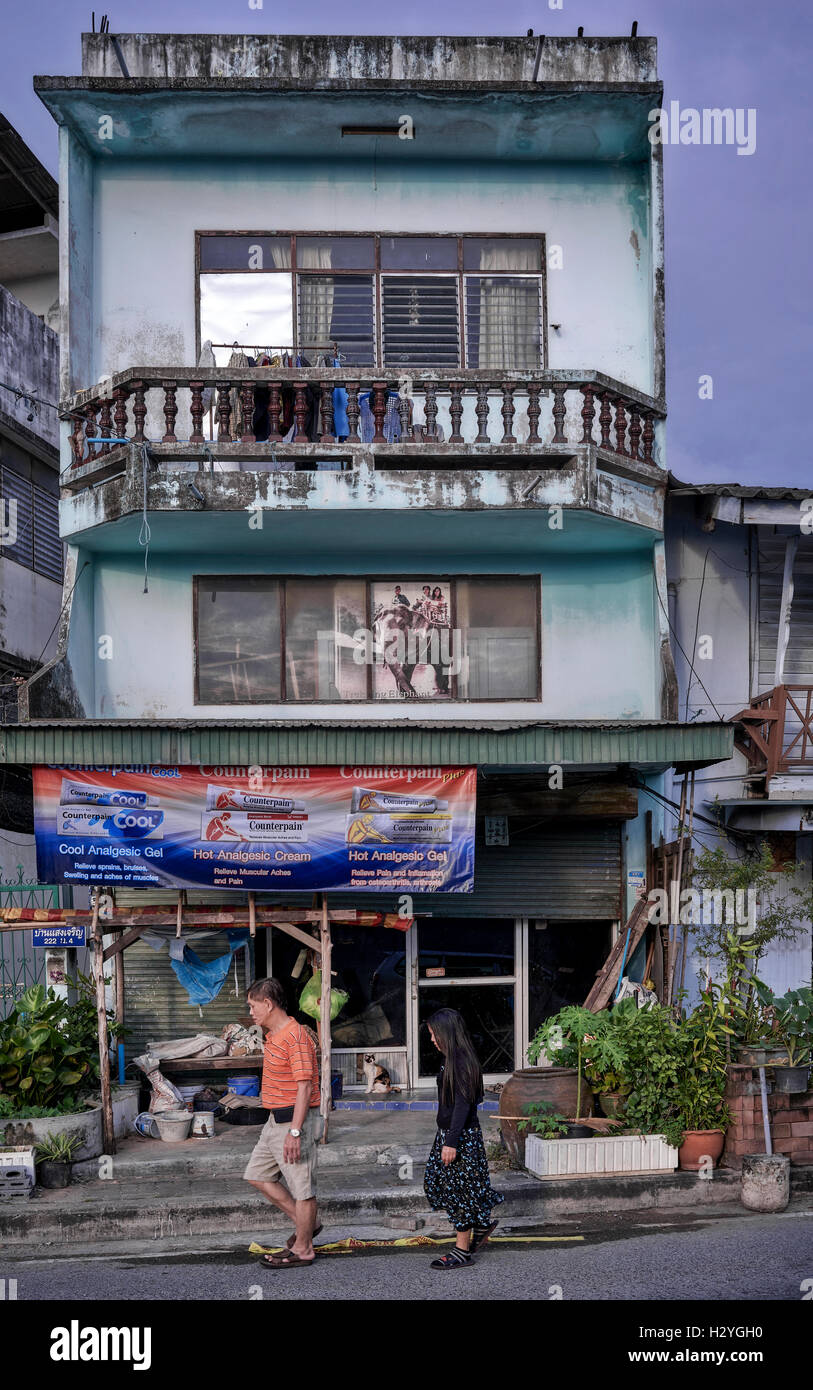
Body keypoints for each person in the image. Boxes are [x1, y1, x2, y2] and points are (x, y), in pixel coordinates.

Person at [243, 976, 323, 1268]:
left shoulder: (295, 1035)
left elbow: (304, 1086)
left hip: (294, 1121)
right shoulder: (274, 1035)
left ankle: (303, 1248)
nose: (251, 1012)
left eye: (253, 1006)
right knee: (257, 1175)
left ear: (268, 1003)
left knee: (303, 1189)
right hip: (274, 1121)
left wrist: (294, 1131)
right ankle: (306, 1225)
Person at [423, 1007, 505, 1270]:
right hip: (451, 1134)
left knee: (458, 1192)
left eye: (434, 1034)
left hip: (459, 1136)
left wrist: (451, 1141)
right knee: (437, 1183)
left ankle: (462, 1250)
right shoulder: (452, 1059)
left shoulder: (461, 1061)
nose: (432, 1040)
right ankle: (480, 1224)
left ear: (446, 1033)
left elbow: (462, 1104)